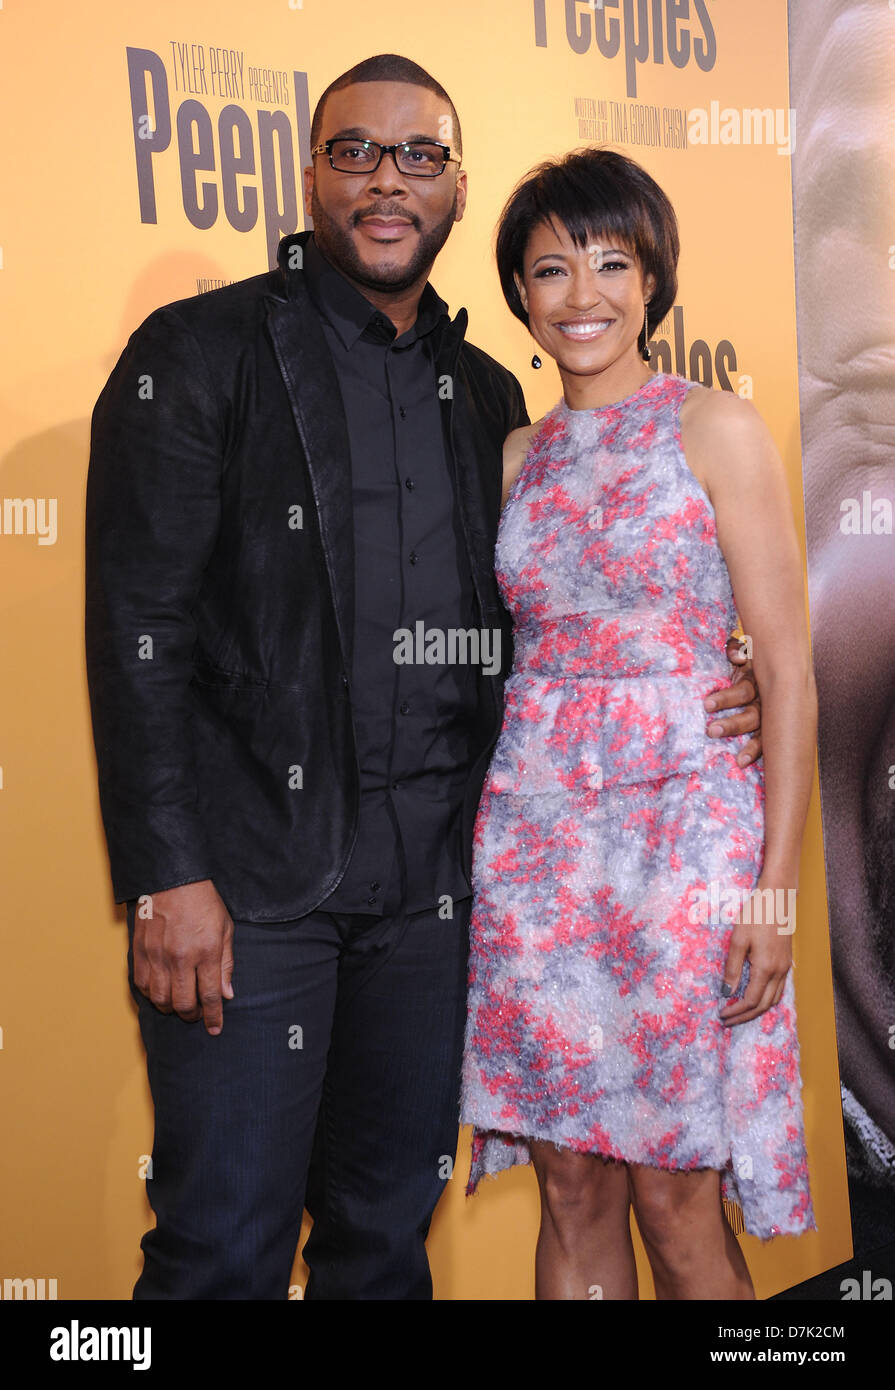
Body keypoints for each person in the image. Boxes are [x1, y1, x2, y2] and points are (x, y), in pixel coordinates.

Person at [85, 58, 761, 1301]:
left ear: (456, 186)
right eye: (356, 153)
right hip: (251, 894)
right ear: (311, 173)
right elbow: (137, 628)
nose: (387, 183)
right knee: (221, 1248)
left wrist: (723, 674)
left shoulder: (492, 402)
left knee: (383, 1243)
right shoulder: (196, 350)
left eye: (419, 157)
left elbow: (550, 628)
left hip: (443, 897)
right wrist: (166, 870)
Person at [460, 148, 817, 1301]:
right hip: (537, 847)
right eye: (550, 268)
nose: (582, 295)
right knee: (569, 1179)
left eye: (611, 263)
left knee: (675, 1192)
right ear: (519, 291)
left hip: (684, 846)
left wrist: (772, 895)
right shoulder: (518, 453)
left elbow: (792, 673)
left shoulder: (716, 429)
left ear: (654, 279)